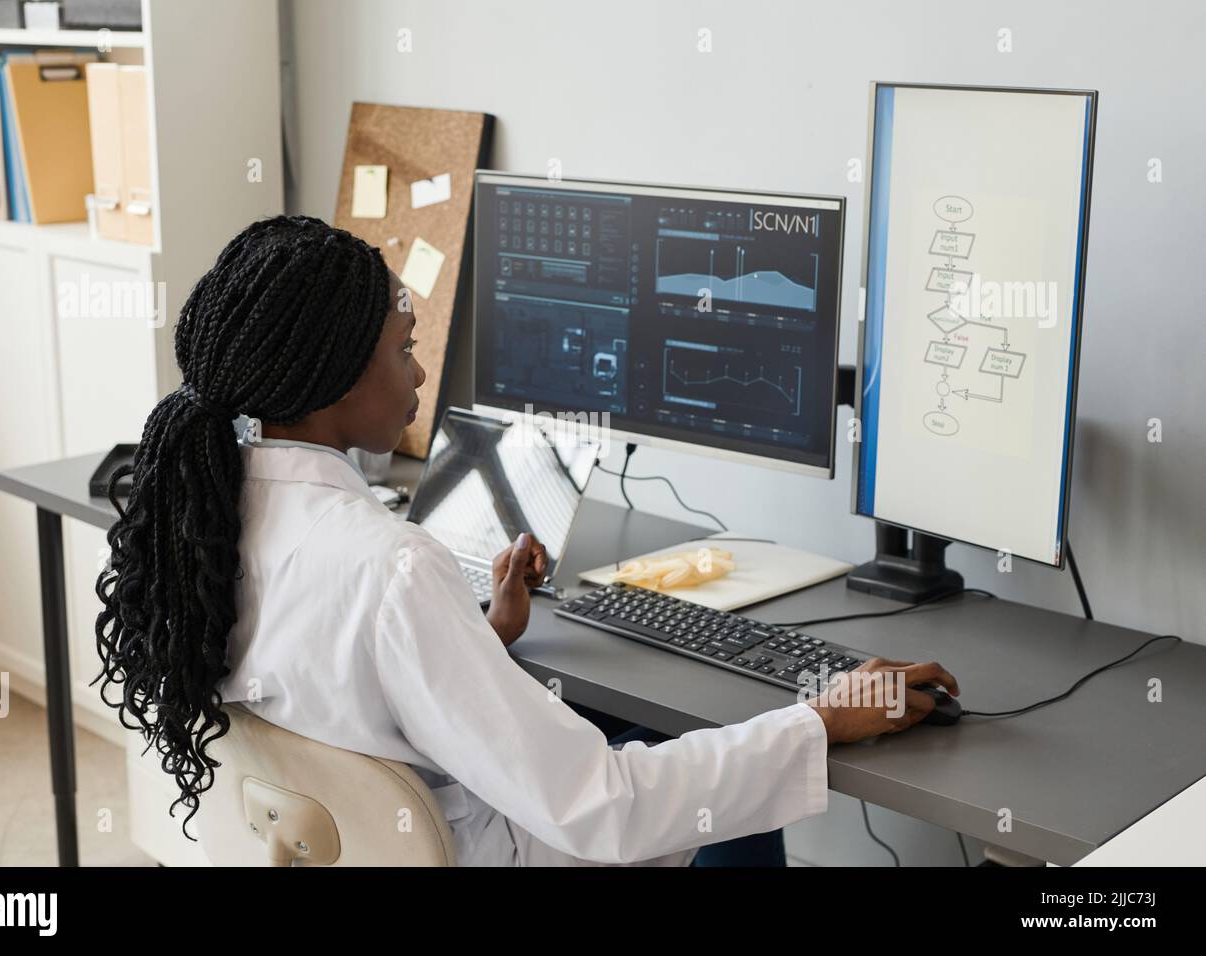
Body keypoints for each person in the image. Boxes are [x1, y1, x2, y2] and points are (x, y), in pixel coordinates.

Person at [95, 215, 959, 866]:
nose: (422, 371)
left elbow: (336, 677)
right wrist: (819, 720)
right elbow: (605, 808)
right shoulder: (389, 565)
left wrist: (474, 635)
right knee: (724, 797)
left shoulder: (200, 525)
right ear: (332, 381)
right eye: (404, 348)